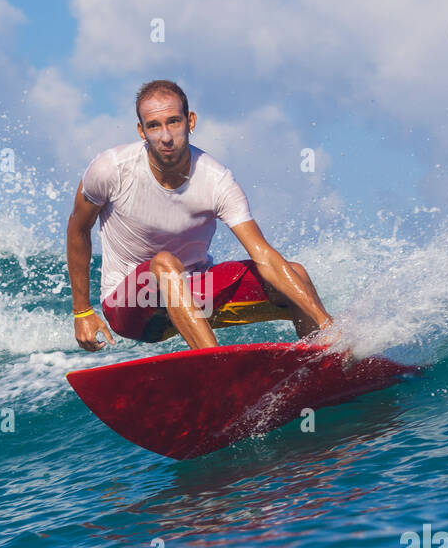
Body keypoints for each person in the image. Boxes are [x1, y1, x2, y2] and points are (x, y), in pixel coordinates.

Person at [66, 79, 336, 352]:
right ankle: (215, 366)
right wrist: (82, 311)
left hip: (195, 297)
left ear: (190, 121)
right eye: (154, 126)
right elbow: (78, 228)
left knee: (295, 275)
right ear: (141, 131)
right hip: (132, 307)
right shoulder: (111, 170)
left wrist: (326, 322)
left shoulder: (216, 180)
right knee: (164, 264)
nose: (166, 136)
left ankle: (321, 356)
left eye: (173, 121)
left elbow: (264, 256)